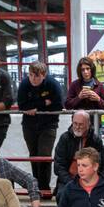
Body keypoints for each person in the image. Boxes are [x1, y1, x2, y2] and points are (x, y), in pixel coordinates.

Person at [16, 61, 63, 194]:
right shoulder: (25, 84)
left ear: (44, 75)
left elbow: (59, 105)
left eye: (37, 76)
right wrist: (43, 103)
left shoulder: (53, 84)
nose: (33, 79)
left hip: (48, 125)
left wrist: (35, 107)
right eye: (31, 75)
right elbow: (22, 105)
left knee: (44, 156)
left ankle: (44, 188)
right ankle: (36, 188)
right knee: (34, 156)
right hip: (29, 125)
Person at [52, 111, 104, 199]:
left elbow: (99, 164)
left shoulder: (96, 140)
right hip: (67, 179)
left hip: (89, 179)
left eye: (81, 124)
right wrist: (71, 182)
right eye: (75, 124)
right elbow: (58, 166)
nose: (77, 127)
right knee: (62, 195)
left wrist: (88, 181)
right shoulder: (65, 138)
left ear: (88, 124)